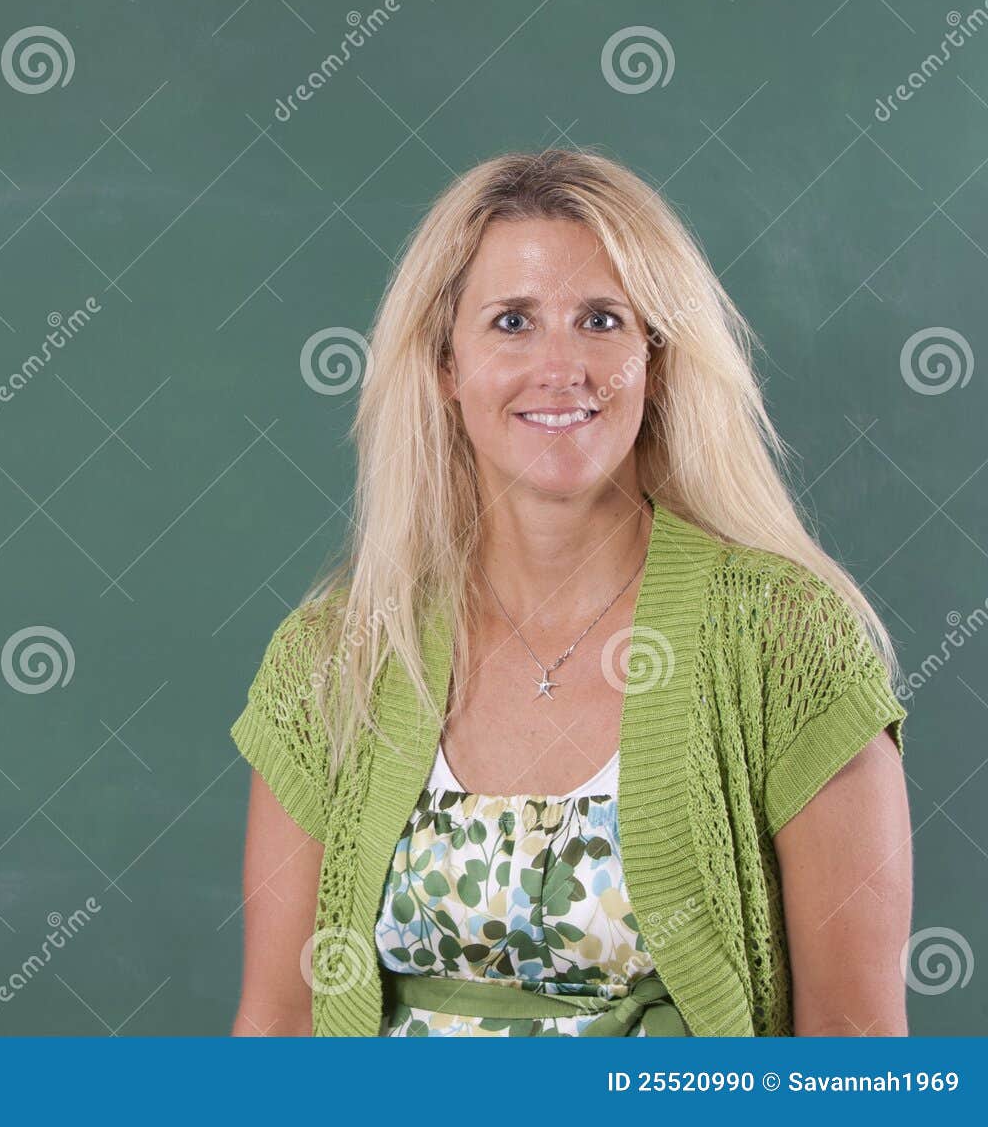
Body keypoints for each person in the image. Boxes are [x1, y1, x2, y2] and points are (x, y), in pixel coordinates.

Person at [229, 147, 910, 1037]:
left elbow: (855, 1053)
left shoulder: (785, 639)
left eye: (601, 319)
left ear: (656, 359)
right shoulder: (332, 657)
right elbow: (278, 1024)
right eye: (512, 321)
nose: (562, 367)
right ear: (447, 367)